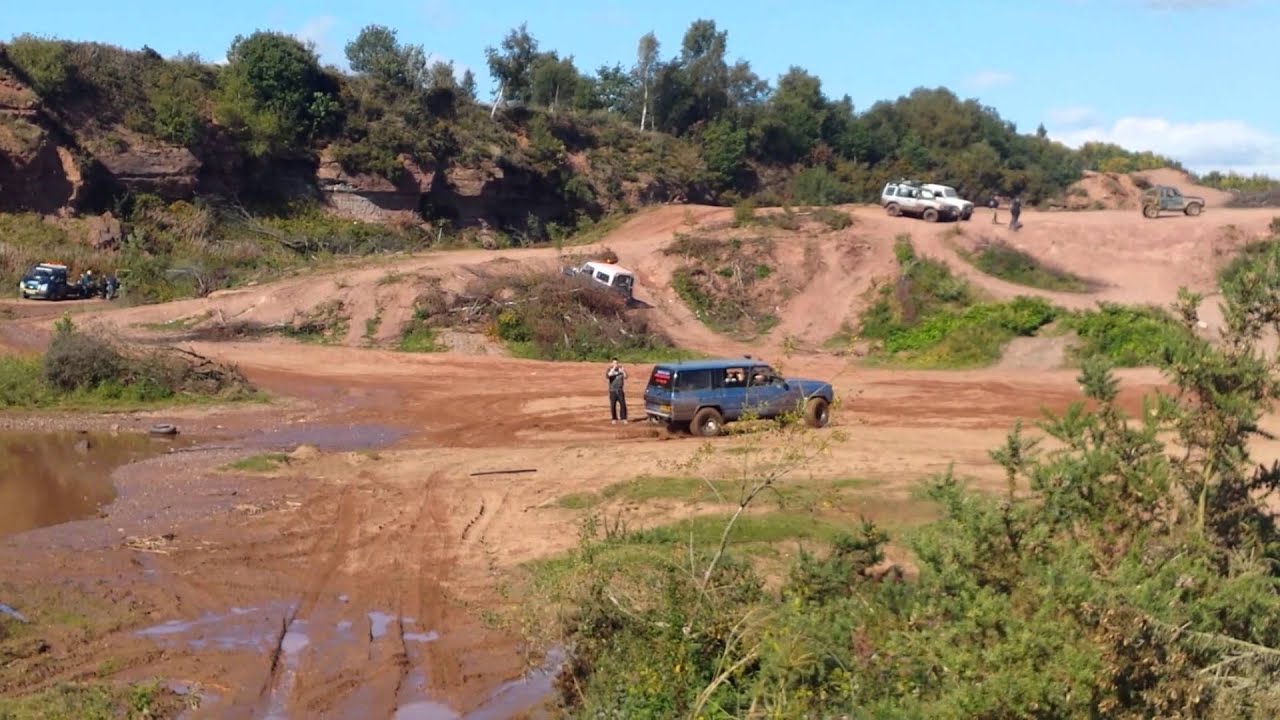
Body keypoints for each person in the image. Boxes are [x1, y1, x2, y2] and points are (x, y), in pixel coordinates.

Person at [606, 358, 628, 424]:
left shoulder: (621, 370)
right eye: (614, 363)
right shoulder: (609, 370)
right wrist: (613, 368)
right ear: (612, 364)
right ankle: (614, 418)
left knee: (623, 404)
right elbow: (609, 375)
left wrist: (623, 371)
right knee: (613, 405)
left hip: (620, 390)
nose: (616, 364)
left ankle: (624, 418)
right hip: (612, 390)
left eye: (617, 363)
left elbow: (626, 377)